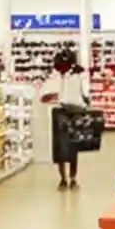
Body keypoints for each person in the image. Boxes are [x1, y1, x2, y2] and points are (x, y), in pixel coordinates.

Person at [41, 47, 89, 191]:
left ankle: (67, 179)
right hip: (68, 111)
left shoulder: (73, 73)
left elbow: (85, 92)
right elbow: (86, 94)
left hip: (65, 111)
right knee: (67, 148)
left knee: (66, 147)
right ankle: (68, 178)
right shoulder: (70, 73)